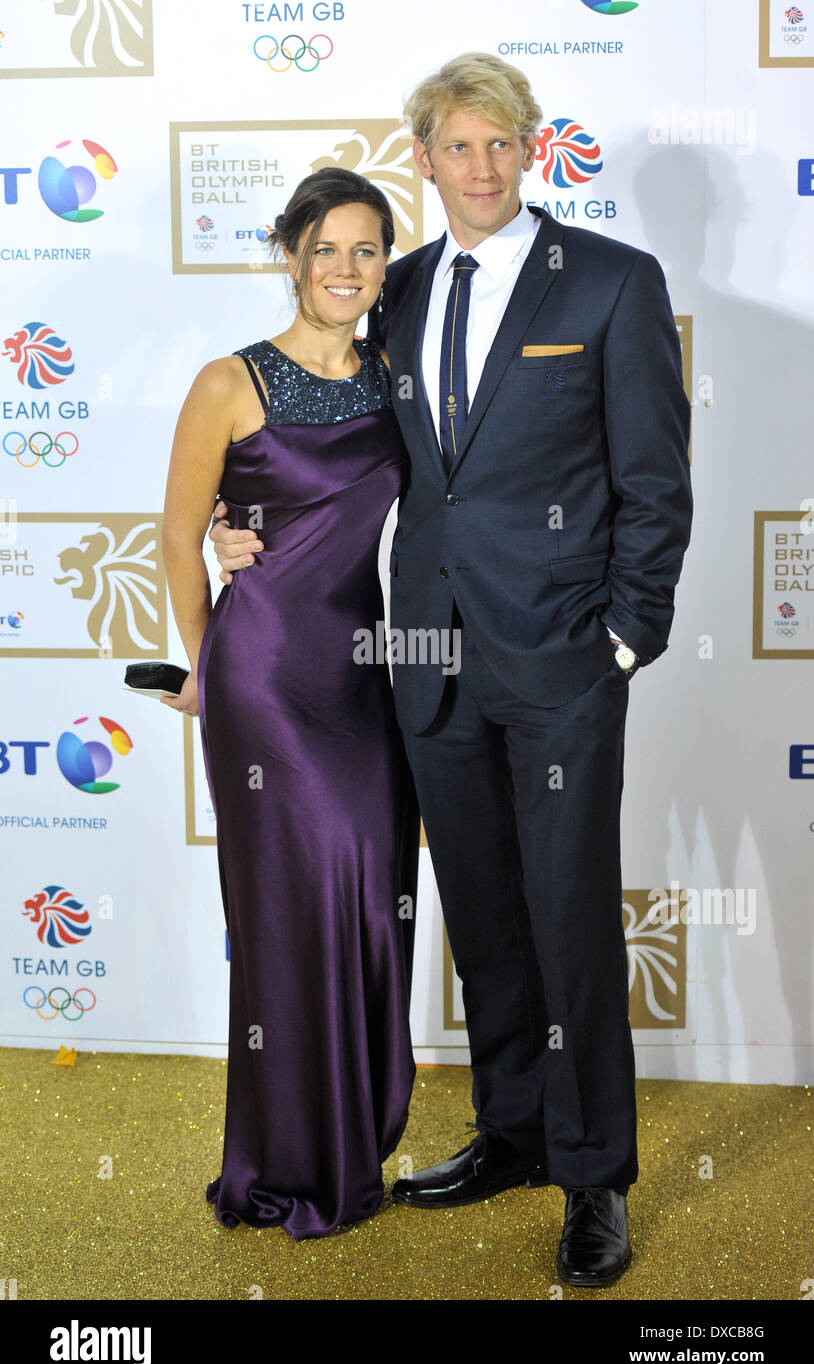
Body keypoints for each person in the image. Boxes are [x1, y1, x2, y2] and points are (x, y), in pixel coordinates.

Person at [208, 52, 693, 1284]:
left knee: (573, 924)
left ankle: (594, 1178)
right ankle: (513, 1130)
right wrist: (235, 520)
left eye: (500, 144)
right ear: (421, 156)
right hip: (421, 661)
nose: (479, 168)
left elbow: (653, 483)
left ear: (530, 150)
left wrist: (624, 636)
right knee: (482, 920)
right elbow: (333, 437)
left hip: (562, 664)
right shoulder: (399, 286)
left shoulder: (612, 283)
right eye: (455, 147)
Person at [160, 167, 420, 1239]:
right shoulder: (230, 381)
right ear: (289, 253)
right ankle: (285, 1163)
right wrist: (210, 664)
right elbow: (180, 538)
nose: (347, 270)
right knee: (288, 916)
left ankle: (350, 1137)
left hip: (364, 675)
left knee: (370, 897)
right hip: (264, 675)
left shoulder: (398, 375)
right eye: (327, 250)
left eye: (367, 251)